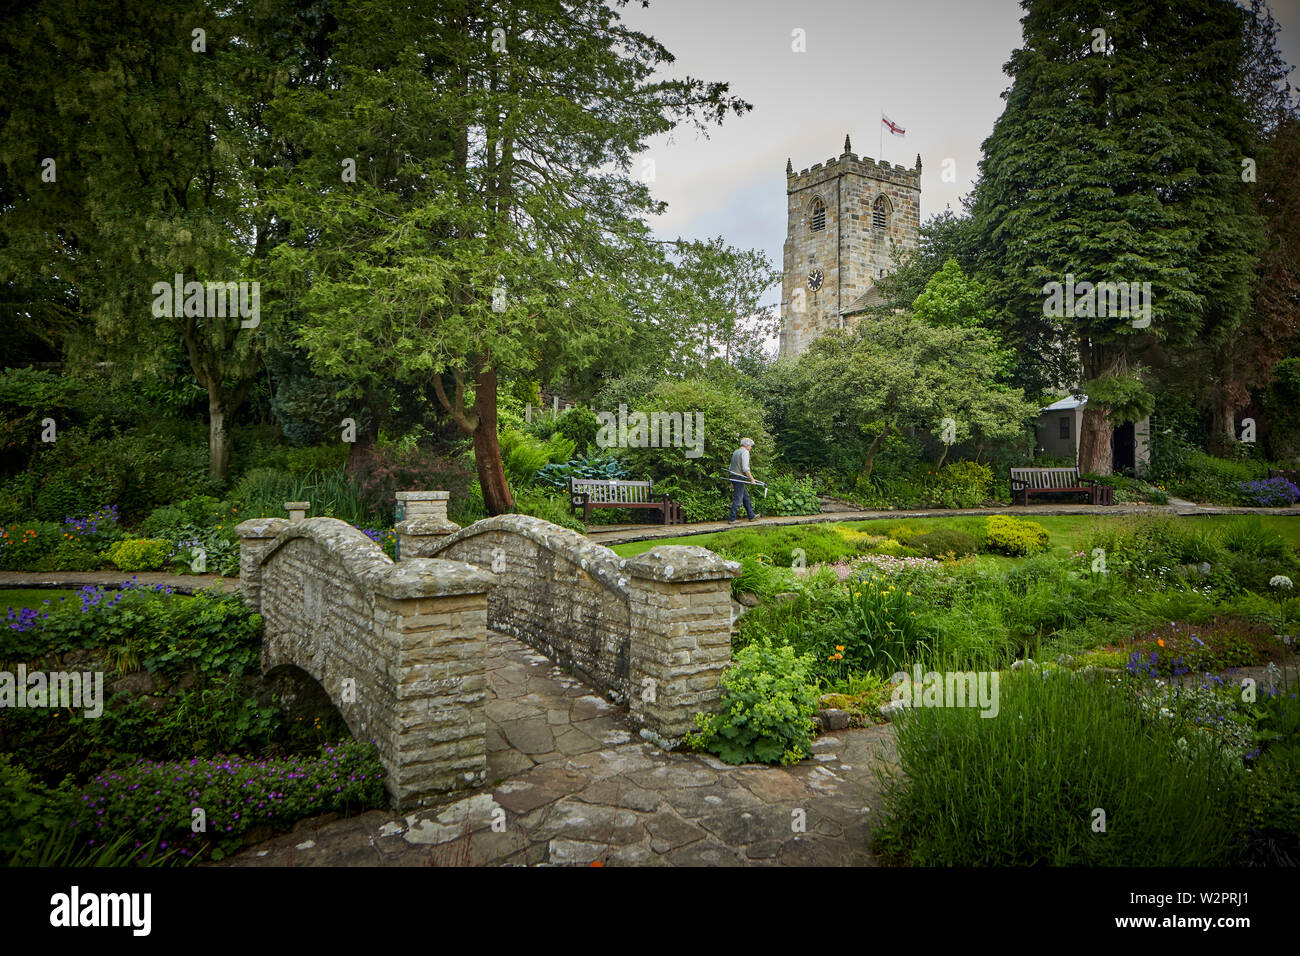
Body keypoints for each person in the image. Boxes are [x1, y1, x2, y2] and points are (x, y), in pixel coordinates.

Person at [728, 438, 757, 523]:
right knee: (738, 498)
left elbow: (731, 467)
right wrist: (752, 479)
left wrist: (731, 481)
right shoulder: (745, 452)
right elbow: (745, 468)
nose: (751, 447)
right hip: (739, 477)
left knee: (746, 497)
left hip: (734, 476)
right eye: (750, 445)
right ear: (747, 445)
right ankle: (732, 519)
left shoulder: (735, 452)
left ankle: (751, 516)